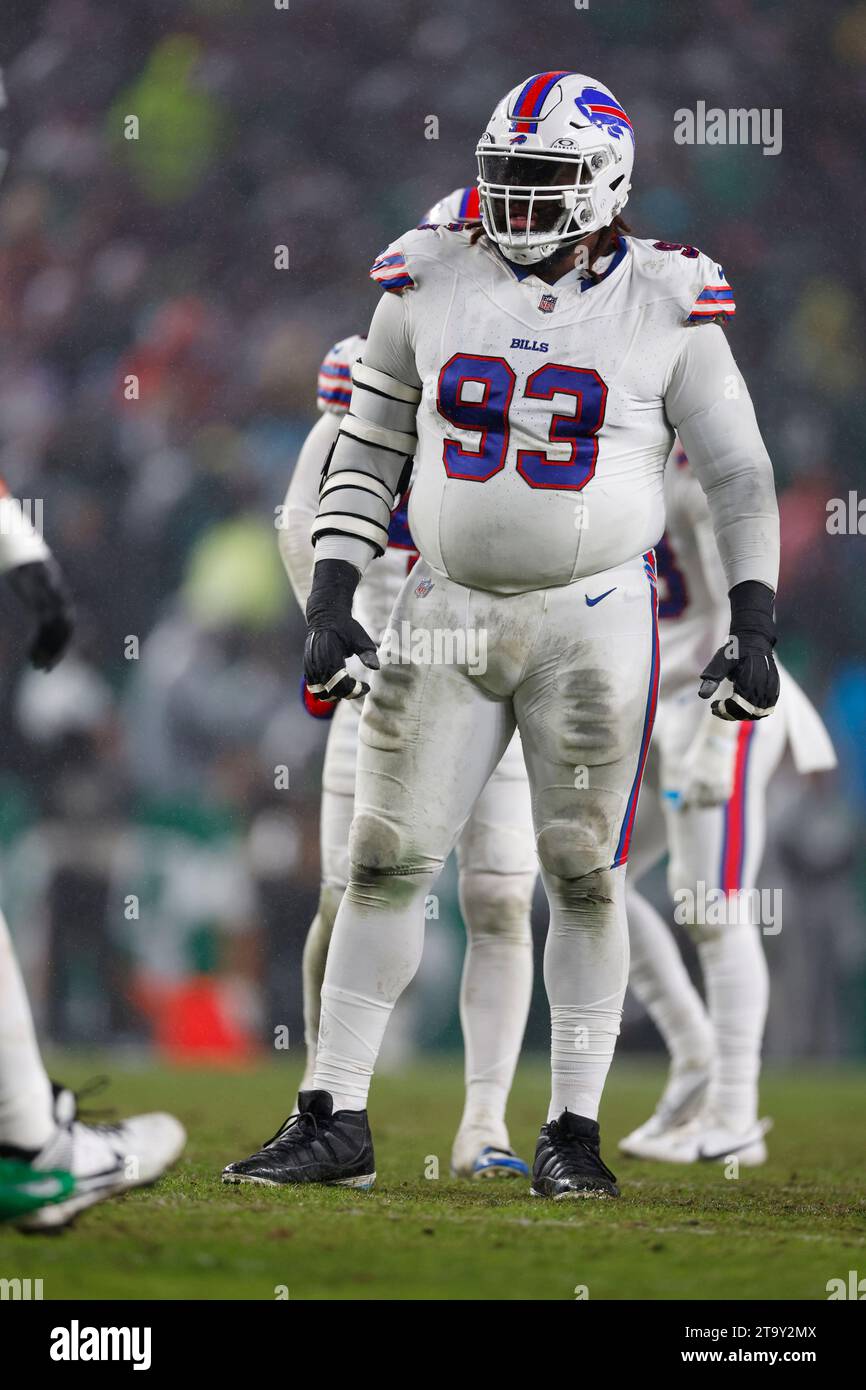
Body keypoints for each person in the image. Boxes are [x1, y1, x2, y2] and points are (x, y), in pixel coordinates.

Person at [232, 71, 780, 1199]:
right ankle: (332, 1112)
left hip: (592, 619)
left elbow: (738, 476)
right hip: (441, 609)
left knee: (581, 875)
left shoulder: (670, 298)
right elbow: (368, 448)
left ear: (603, 184)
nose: (512, 204)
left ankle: (569, 1131)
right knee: (383, 864)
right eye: (501, 180)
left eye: (540, 181)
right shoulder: (423, 273)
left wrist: (753, 618)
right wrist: (333, 600)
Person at [226, 188, 537, 1184]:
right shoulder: (373, 364)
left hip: (490, 677)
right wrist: (341, 639)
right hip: (386, 680)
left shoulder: (528, 371)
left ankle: (483, 1125)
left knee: (495, 895)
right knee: (348, 895)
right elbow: (305, 521)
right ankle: (327, 1106)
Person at [619, 447, 836, 1164]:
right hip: (652, 703)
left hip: (721, 699)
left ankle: (736, 1110)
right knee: (586, 879)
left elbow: (742, 612)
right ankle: (695, 1058)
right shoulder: (615, 443)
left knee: (712, 904)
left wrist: (718, 734)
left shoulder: (691, 458)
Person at [0, 485, 186, 1230]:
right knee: (73, 927)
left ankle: (30, 1131)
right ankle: (31, 1149)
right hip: (62, 827)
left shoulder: (71, 688)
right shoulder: (56, 695)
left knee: (91, 932)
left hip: (85, 827)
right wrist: (24, 554)